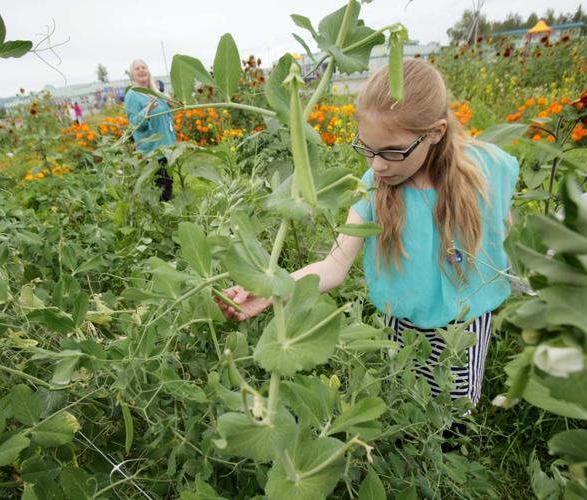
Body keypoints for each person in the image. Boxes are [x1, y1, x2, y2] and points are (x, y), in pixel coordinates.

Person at [215, 59, 520, 406]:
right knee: (403, 400)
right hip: (403, 321)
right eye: (368, 148)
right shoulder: (374, 186)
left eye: (391, 151)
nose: (377, 164)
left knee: (453, 410)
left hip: (464, 324)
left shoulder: (487, 169)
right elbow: (334, 265)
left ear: (435, 132)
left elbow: (511, 233)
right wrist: (268, 291)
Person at [124, 59, 176, 201]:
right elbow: (134, 124)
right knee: (160, 190)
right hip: (154, 151)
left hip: (168, 148)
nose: (141, 70)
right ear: (132, 75)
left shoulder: (154, 93)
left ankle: (169, 214)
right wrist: (146, 110)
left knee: (168, 185)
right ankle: (164, 219)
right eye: (137, 68)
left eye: (144, 67)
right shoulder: (133, 95)